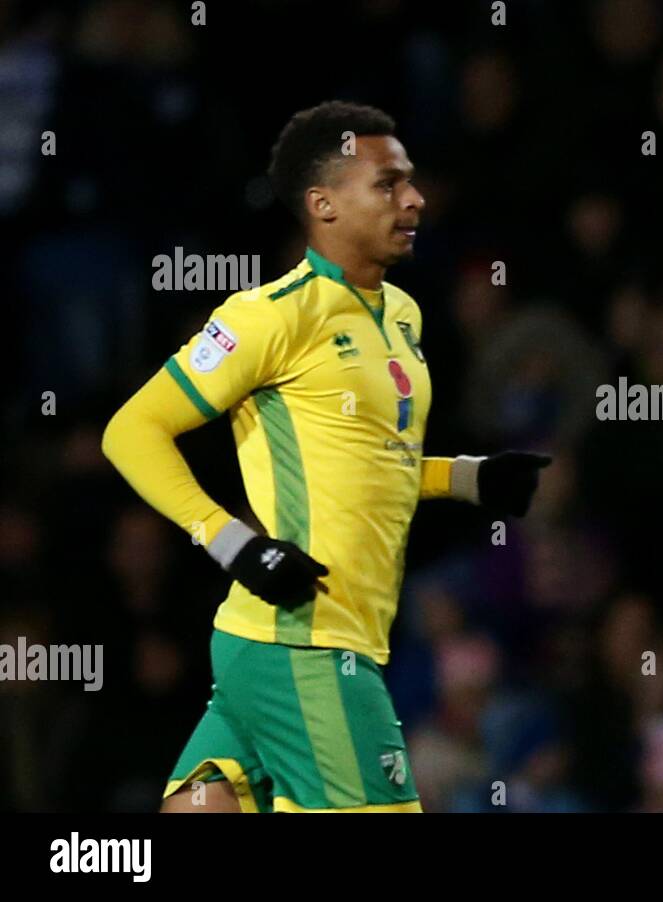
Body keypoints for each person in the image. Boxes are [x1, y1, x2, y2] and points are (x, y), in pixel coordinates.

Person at [102, 101, 550, 813]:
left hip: (299, 645)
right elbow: (131, 431)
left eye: (411, 181)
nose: (415, 198)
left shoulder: (402, 314)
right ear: (324, 204)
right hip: (305, 645)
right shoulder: (269, 315)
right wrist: (233, 544)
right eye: (388, 183)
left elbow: (366, 464)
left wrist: (467, 478)